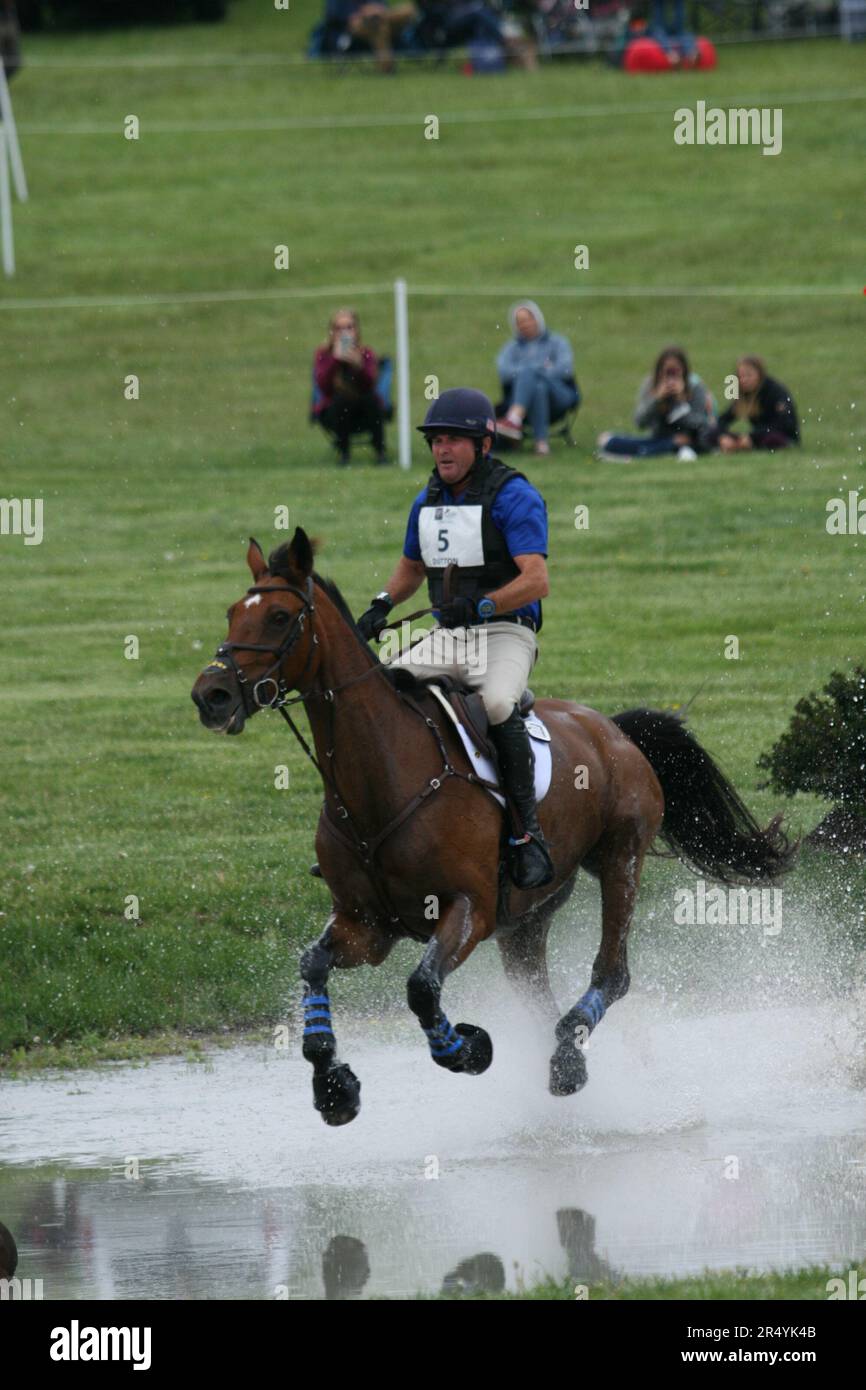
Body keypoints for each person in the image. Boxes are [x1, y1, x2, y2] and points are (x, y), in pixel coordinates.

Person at [355, 387, 554, 889]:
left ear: (483, 444)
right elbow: (411, 567)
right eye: (436, 440)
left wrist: (485, 604)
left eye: (454, 441)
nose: (442, 450)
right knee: (381, 689)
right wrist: (381, 604)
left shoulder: (515, 496)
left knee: (496, 704)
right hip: (449, 635)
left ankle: (527, 837)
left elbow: (536, 580)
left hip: (506, 632)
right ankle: (370, 829)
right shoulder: (429, 500)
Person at [597, 345, 715, 462]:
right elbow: (639, 422)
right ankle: (643, 451)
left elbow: (702, 424)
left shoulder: (694, 387)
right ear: (660, 371)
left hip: (691, 440)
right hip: (660, 439)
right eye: (668, 372)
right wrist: (657, 399)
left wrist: (680, 402)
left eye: (675, 371)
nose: (671, 378)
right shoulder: (651, 385)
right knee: (609, 441)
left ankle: (634, 454)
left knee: (684, 445)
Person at [495, 301, 580, 457]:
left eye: (528, 319)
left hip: (560, 396)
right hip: (529, 398)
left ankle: (514, 419)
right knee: (538, 387)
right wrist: (542, 368)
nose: (525, 325)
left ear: (538, 319)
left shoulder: (558, 342)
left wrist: (532, 371)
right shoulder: (511, 348)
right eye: (520, 322)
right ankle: (541, 444)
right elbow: (503, 372)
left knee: (529, 371)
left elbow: (566, 369)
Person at [313, 308, 389, 465]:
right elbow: (323, 387)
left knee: (371, 401)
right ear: (332, 332)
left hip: (364, 411)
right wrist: (335, 360)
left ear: (356, 330)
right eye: (339, 328)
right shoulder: (324, 354)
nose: (344, 333)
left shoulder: (366, 353)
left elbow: (370, 385)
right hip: (334, 411)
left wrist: (358, 366)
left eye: (349, 327)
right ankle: (344, 454)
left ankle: (380, 453)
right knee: (341, 401)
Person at [715, 356, 799, 453]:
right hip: (756, 435)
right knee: (710, 435)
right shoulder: (743, 394)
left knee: (771, 439)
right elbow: (724, 419)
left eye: (748, 375)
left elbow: (785, 424)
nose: (744, 380)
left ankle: (750, 445)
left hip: (780, 435)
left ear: (760, 375)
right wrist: (723, 436)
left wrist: (753, 436)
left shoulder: (775, 391)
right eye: (741, 376)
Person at [313, 1, 417, 68]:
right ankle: (387, 67)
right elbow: (332, 15)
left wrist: (376, 10)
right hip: (354, 27)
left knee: (407, 10)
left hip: (380, 19)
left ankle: (387, 66)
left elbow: (382, 5)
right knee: (379, 28)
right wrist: (360, 14)